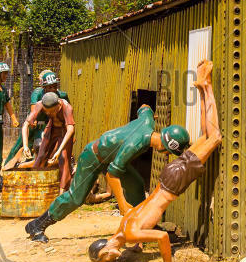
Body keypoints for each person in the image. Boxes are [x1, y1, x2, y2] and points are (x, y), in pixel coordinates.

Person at [88, 60, 220, 262]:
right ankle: (203, 87)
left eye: (107, 260)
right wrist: (135, 247)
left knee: (214, 137)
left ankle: (206, 86)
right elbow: (139, 225)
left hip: (173, 184)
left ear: (104, 250)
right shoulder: (124, 224)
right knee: (205, 136)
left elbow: (162, 237)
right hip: (168, 178)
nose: (112, 260)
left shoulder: (129, 233)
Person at [25, 99, 190, 244]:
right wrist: (123, 204)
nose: (168, 155)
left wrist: (148, 113)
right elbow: (113, 174)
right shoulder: (136, 144)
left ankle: (146, 227)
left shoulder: (148, 123)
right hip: (93, 157)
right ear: (168, 147)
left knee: (137, 185)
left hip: (108, 157)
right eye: (170, 152)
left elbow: (145, 107)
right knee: (76, 197)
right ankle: (37, 226)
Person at [2, 70, 69, 172]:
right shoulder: (38, 93)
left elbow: (67, 113)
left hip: (48, 127)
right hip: (34, 124)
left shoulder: (62, 96)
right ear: (44, 87)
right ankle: (6, 172)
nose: (52, 90)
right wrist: (33, 120)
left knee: (41, 148)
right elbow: (34, 110)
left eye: (54, 86)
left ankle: (35, 171)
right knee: (19, 147)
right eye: (49, 87)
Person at [21, 90, 75, 190]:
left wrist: (58, 151)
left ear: (58, 104)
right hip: (51, 129)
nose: (50, 113)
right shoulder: (40, 104)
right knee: (41, 156)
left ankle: (62, 191)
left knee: (63, 159)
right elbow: (25, 125)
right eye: (47, 112)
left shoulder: (66, 107)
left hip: (64, 132)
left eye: (53, 111)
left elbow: (70, 130)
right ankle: (33, 185)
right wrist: (25, 145)